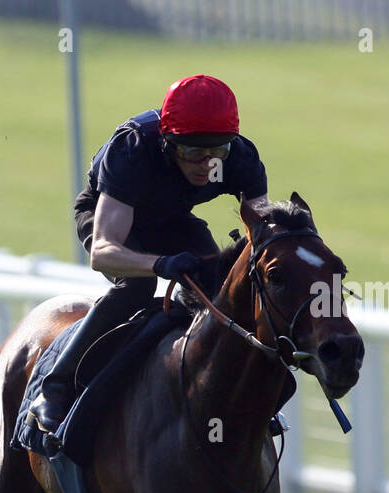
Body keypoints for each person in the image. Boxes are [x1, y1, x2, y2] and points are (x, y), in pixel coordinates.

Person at [29, 74, 269, 436]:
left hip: (172, 217)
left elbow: (263, 237)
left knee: (221, 286)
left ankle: (231, 393)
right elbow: (103, 252)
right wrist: (158, 264)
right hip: (108, 215)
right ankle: (56, 386)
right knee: (136, 288)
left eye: (216, 151)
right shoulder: (133, 151)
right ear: (167, 143)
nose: (206, 164)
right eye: (192, 152)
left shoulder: (241, 157)